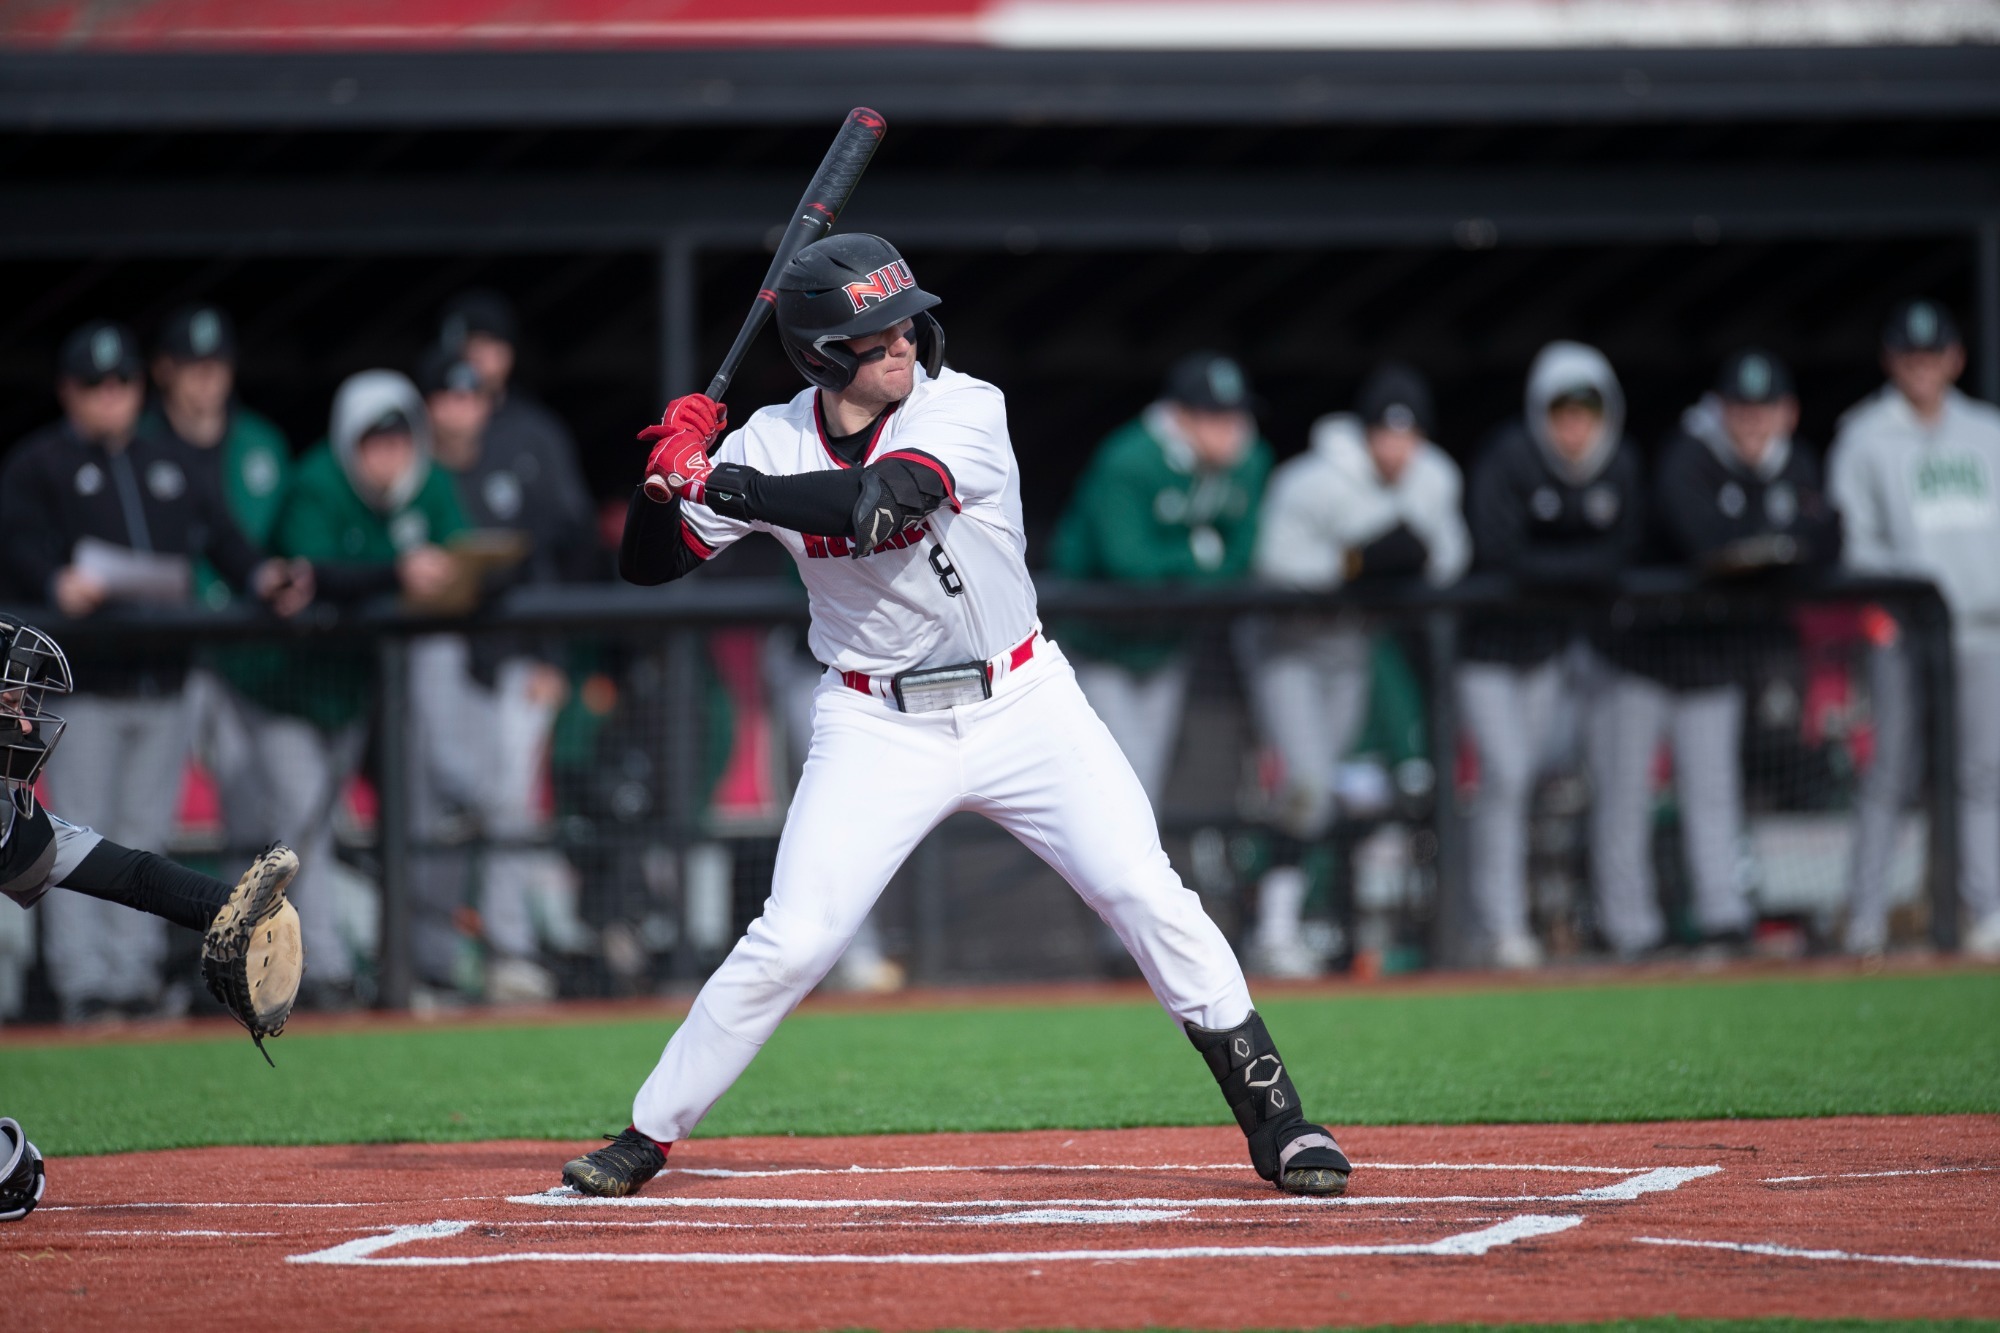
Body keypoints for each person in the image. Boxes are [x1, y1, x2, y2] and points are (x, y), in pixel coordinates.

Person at [559, 233, 1349, 1201]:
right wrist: (663, 477)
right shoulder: (767, 438)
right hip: (873, 723)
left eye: (901, 320)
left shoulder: (964, 406)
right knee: (796, 936)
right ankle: (644, 1135)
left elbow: (873, 507)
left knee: (1144, 890)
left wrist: (712, 477)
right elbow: (651, 562)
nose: (900, 340)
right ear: (818, 353)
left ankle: (1281, 1121)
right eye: (871, 331)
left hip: (1022, 700)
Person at [0, 319, 305, 1020]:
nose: (110, 395)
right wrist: (53, 580)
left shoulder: (167, 461)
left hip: (164, 678)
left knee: (140, 832)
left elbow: (226, 541)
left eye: (121, 382)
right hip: (83, 684)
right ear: (67, 391)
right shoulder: (38, 463)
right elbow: (18, 551)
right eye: (94, 384)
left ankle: (130, 979)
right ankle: (85, 984)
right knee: (73, 833)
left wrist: (263, 576)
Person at [1, 615, 303, 1219]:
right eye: (8, 701)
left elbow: (134, 875)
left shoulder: (8, 814)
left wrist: (234, 910)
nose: (26, 720)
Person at [1595, 350, 1843, 958]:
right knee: (1623, 793)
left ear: (1787, 412)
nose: (1753, 422)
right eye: (1741, 409)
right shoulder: (1689, 452)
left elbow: (1828, 537)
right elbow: (1704, 541)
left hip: (1712, 658)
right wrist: (1771, 547)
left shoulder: (1795, 460)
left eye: (1764, 410)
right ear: (1721, 408)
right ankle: (1628, 929)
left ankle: (1722, 919)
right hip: (1640, 651)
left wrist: (1765, 548)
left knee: (1712, 790)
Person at [246, 370, 467, 1004]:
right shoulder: (316, 482)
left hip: (346, 693)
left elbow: (470, 553)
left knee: (320, 829)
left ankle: (332, 969)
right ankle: (323, 975)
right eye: (374, 441)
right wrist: (398, 572)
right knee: (298, 831)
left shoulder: (422, 487)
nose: (388, 454)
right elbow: (309, 570)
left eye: (399, 440)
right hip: (277, 687)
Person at [1247, 363, 1469, 976]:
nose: (1397, 447)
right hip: (1288, 649)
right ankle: (1274, 931)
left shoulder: (1433, 479)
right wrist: (1350, 561)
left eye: (1409, 434)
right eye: (1386, 433)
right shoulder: (1314, 480)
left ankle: (1310, 926)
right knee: (1309, 784)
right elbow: (1275, 559)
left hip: (1349, 651)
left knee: (1327, 791)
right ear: (1366, 432)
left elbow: (1452, 557)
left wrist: (1407, 561)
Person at [417, 345, 593, 1000]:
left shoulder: (514, 462)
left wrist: (550, 656)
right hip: (432, 662)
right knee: (439, 811)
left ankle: (507, 949)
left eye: (471, 396)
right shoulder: (417, 474)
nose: (462, 409)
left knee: (507, 808)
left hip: (510, 662)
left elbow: (554, 562)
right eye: (449, 396)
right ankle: (431, 958)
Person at [1461, 341, 1646, 965]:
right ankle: (1501, 926)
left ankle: (1530, 919)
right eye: (1562, 412)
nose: (1574, 427)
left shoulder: (1617, 465)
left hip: (1547, 655)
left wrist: (1555, 570)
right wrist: (1578, 570)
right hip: (1485, 654)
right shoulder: (1509, 457)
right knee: (1506, 775)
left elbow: (1624, 556)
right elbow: (1498, 554)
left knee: (1534, 783)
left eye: (1586, 413)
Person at [1830, 300, 2000, 958]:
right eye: (1910, 356)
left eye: (1933, 355)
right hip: (1906, 632)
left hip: (1985, 629)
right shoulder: (1865, 433)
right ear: (1891, 361)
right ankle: (1866, 920)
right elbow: (1855, 543)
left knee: (1983, 775)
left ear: (1955, 358)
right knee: (1890, 775)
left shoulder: (1987, 432)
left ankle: (1985, 911)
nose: (1922, 367)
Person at [1050, 353, 1272, 805]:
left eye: (1234, 414)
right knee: (1122, 775)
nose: (1228, 428)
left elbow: (1243, 556)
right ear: (1180, 415)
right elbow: (1129, 563)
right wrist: (1200, 550)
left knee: (1144, 776)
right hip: (1097, 642)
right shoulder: (1130, 459)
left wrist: (1184, 562)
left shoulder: (1250, 461)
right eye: (1213, 415)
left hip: (1167, 644)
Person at [144, 304, 300, 875]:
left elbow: (284, 543)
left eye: (216, 363)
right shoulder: (138, 444)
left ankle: (247, 953)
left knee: (256, 813)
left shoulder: (263, 444)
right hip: (164, 652)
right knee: (144, 818)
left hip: (249, 654)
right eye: (191, 364)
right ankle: (142, 957)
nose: (205, 376)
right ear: (165, 369)